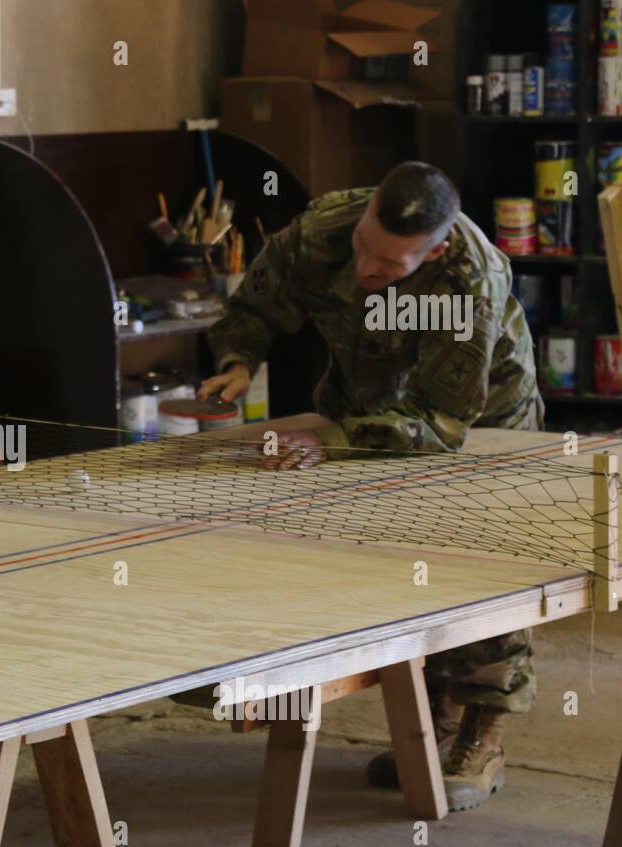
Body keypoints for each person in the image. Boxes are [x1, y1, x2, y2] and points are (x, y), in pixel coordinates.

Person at [199, 161, 543, 812]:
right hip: (366, 400)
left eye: (388, 264)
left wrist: (325, 442)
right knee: (406, 559)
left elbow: (442, 423)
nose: (364, 269)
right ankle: (433, 717)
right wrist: (239, 362)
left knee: (489, 566)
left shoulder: (472, 279)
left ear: (435, 252)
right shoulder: (322, 230)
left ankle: (483, 734)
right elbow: (257, 305)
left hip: (481, 421)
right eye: (363, 244)